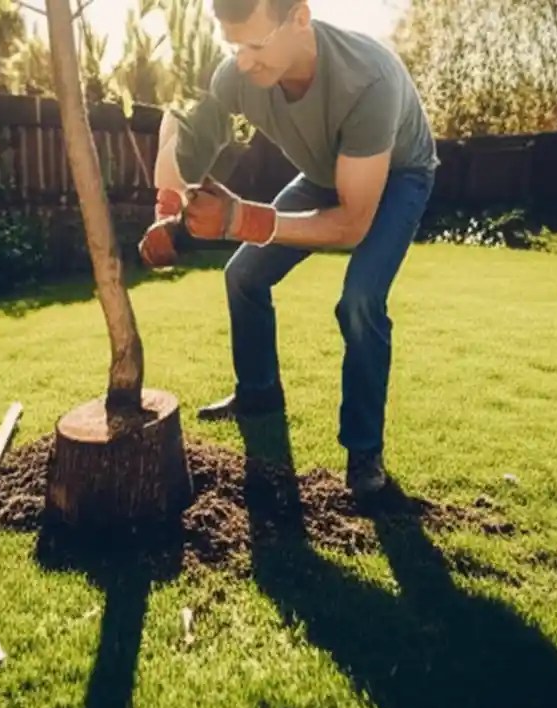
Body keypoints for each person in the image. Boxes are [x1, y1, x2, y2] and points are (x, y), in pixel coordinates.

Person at [139, 0, 438, 498]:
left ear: (300, 17)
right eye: (234, 47)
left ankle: (364, 453)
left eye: (256, 45)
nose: (245, 61)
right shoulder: (239, 72)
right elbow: (183, 148)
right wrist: (166, 213)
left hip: (399, 178)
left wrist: (240, 218)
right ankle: (258, 393)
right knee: (243, 275)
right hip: (325, 172)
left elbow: (351, 225)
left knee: (361, 301)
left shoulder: (368, 80)